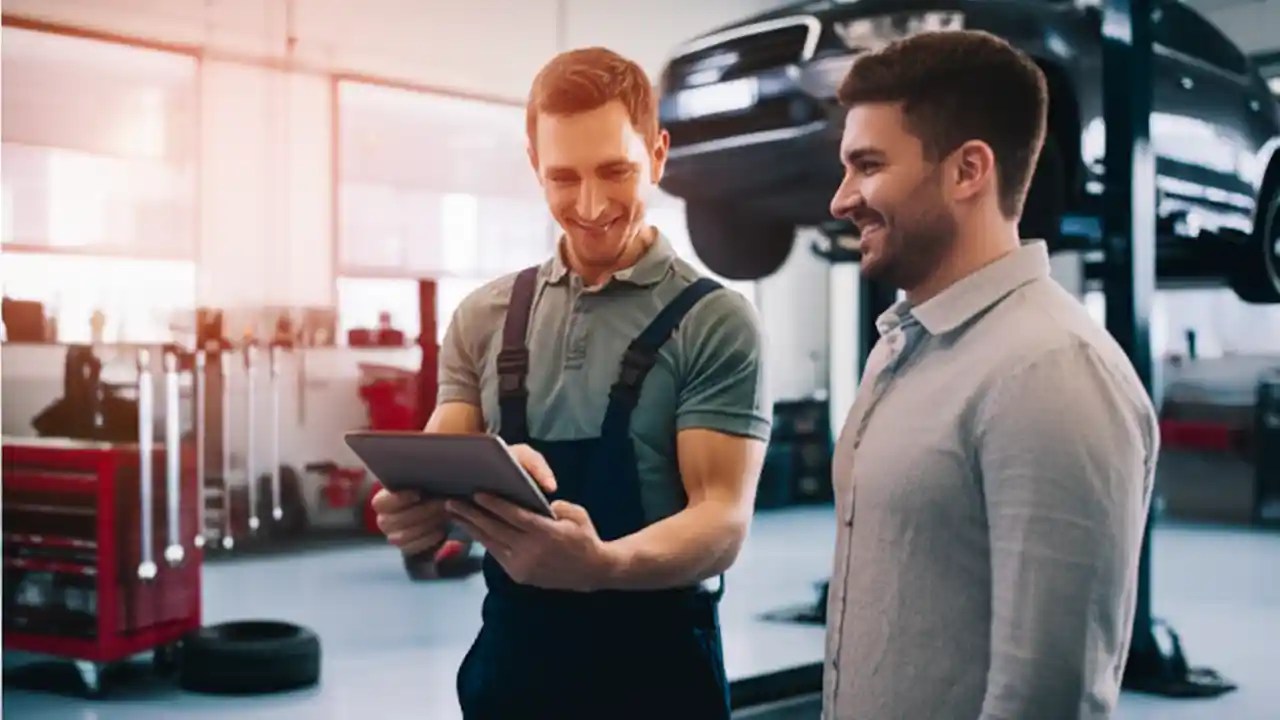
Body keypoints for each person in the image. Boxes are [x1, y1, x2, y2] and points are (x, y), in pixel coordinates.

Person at [371, 46, 771, 719]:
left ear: (659, 155)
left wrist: (602, 566)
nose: (589, 205)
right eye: (563, 177)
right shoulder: (483, 318)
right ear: (534, 167)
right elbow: (442, 467)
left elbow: (721, 519)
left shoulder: (716, 321)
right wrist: (416, 510)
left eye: (616, 171)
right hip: (513, 667)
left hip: (657, 674)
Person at [823, 30, 1159, 719]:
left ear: (967, 171)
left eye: (867, 166)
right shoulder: (898, 347)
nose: (841, 199)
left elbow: (1048, 695)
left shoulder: (1051, 373)